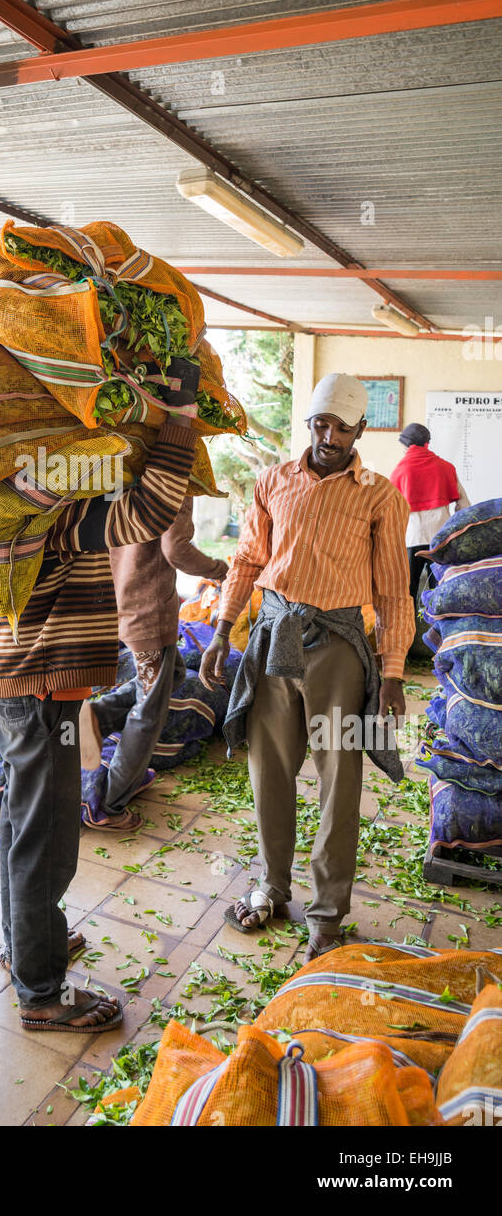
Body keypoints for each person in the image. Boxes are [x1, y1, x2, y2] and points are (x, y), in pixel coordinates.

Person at [0, 359, 200, 1035]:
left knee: (26, 826)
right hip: (41, 688)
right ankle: (42, 994)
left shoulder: (16, 503)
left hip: (38, 686)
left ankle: (27, 947)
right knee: (45, 841)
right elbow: (151, 507)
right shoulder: (42, 516)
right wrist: (179, 415)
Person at [199, 373, 414, 963]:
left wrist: (391, 672)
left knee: (339, 776)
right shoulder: (274, 482)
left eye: (340, 426)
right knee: (269, 768)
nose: (328, 435)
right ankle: (272, 885)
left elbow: (395, 590)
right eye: (319, 423)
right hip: (273, 634)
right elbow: (246, 560)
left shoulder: (378, 495)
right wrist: (222, 632)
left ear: (361, 430)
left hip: (339, 644)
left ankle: (327, 912)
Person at [78, 497, 229, 832]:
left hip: (122, 596)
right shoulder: (176, 476)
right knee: (149, 713)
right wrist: (221, 570)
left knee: (172, 675)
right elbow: (176, 549)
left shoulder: (131, 467)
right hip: (147, 613)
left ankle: (97, 717)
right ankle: (110, 804)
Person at [389, 423, 469, 599]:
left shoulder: (401, 470)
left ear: (408, 444)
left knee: (408, 591)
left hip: (412, 538)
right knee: (440, 590)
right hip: (441, 538)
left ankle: (408, 627)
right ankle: (437, 626)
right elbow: (464, 506)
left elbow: (390, 510)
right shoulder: (446, 467)